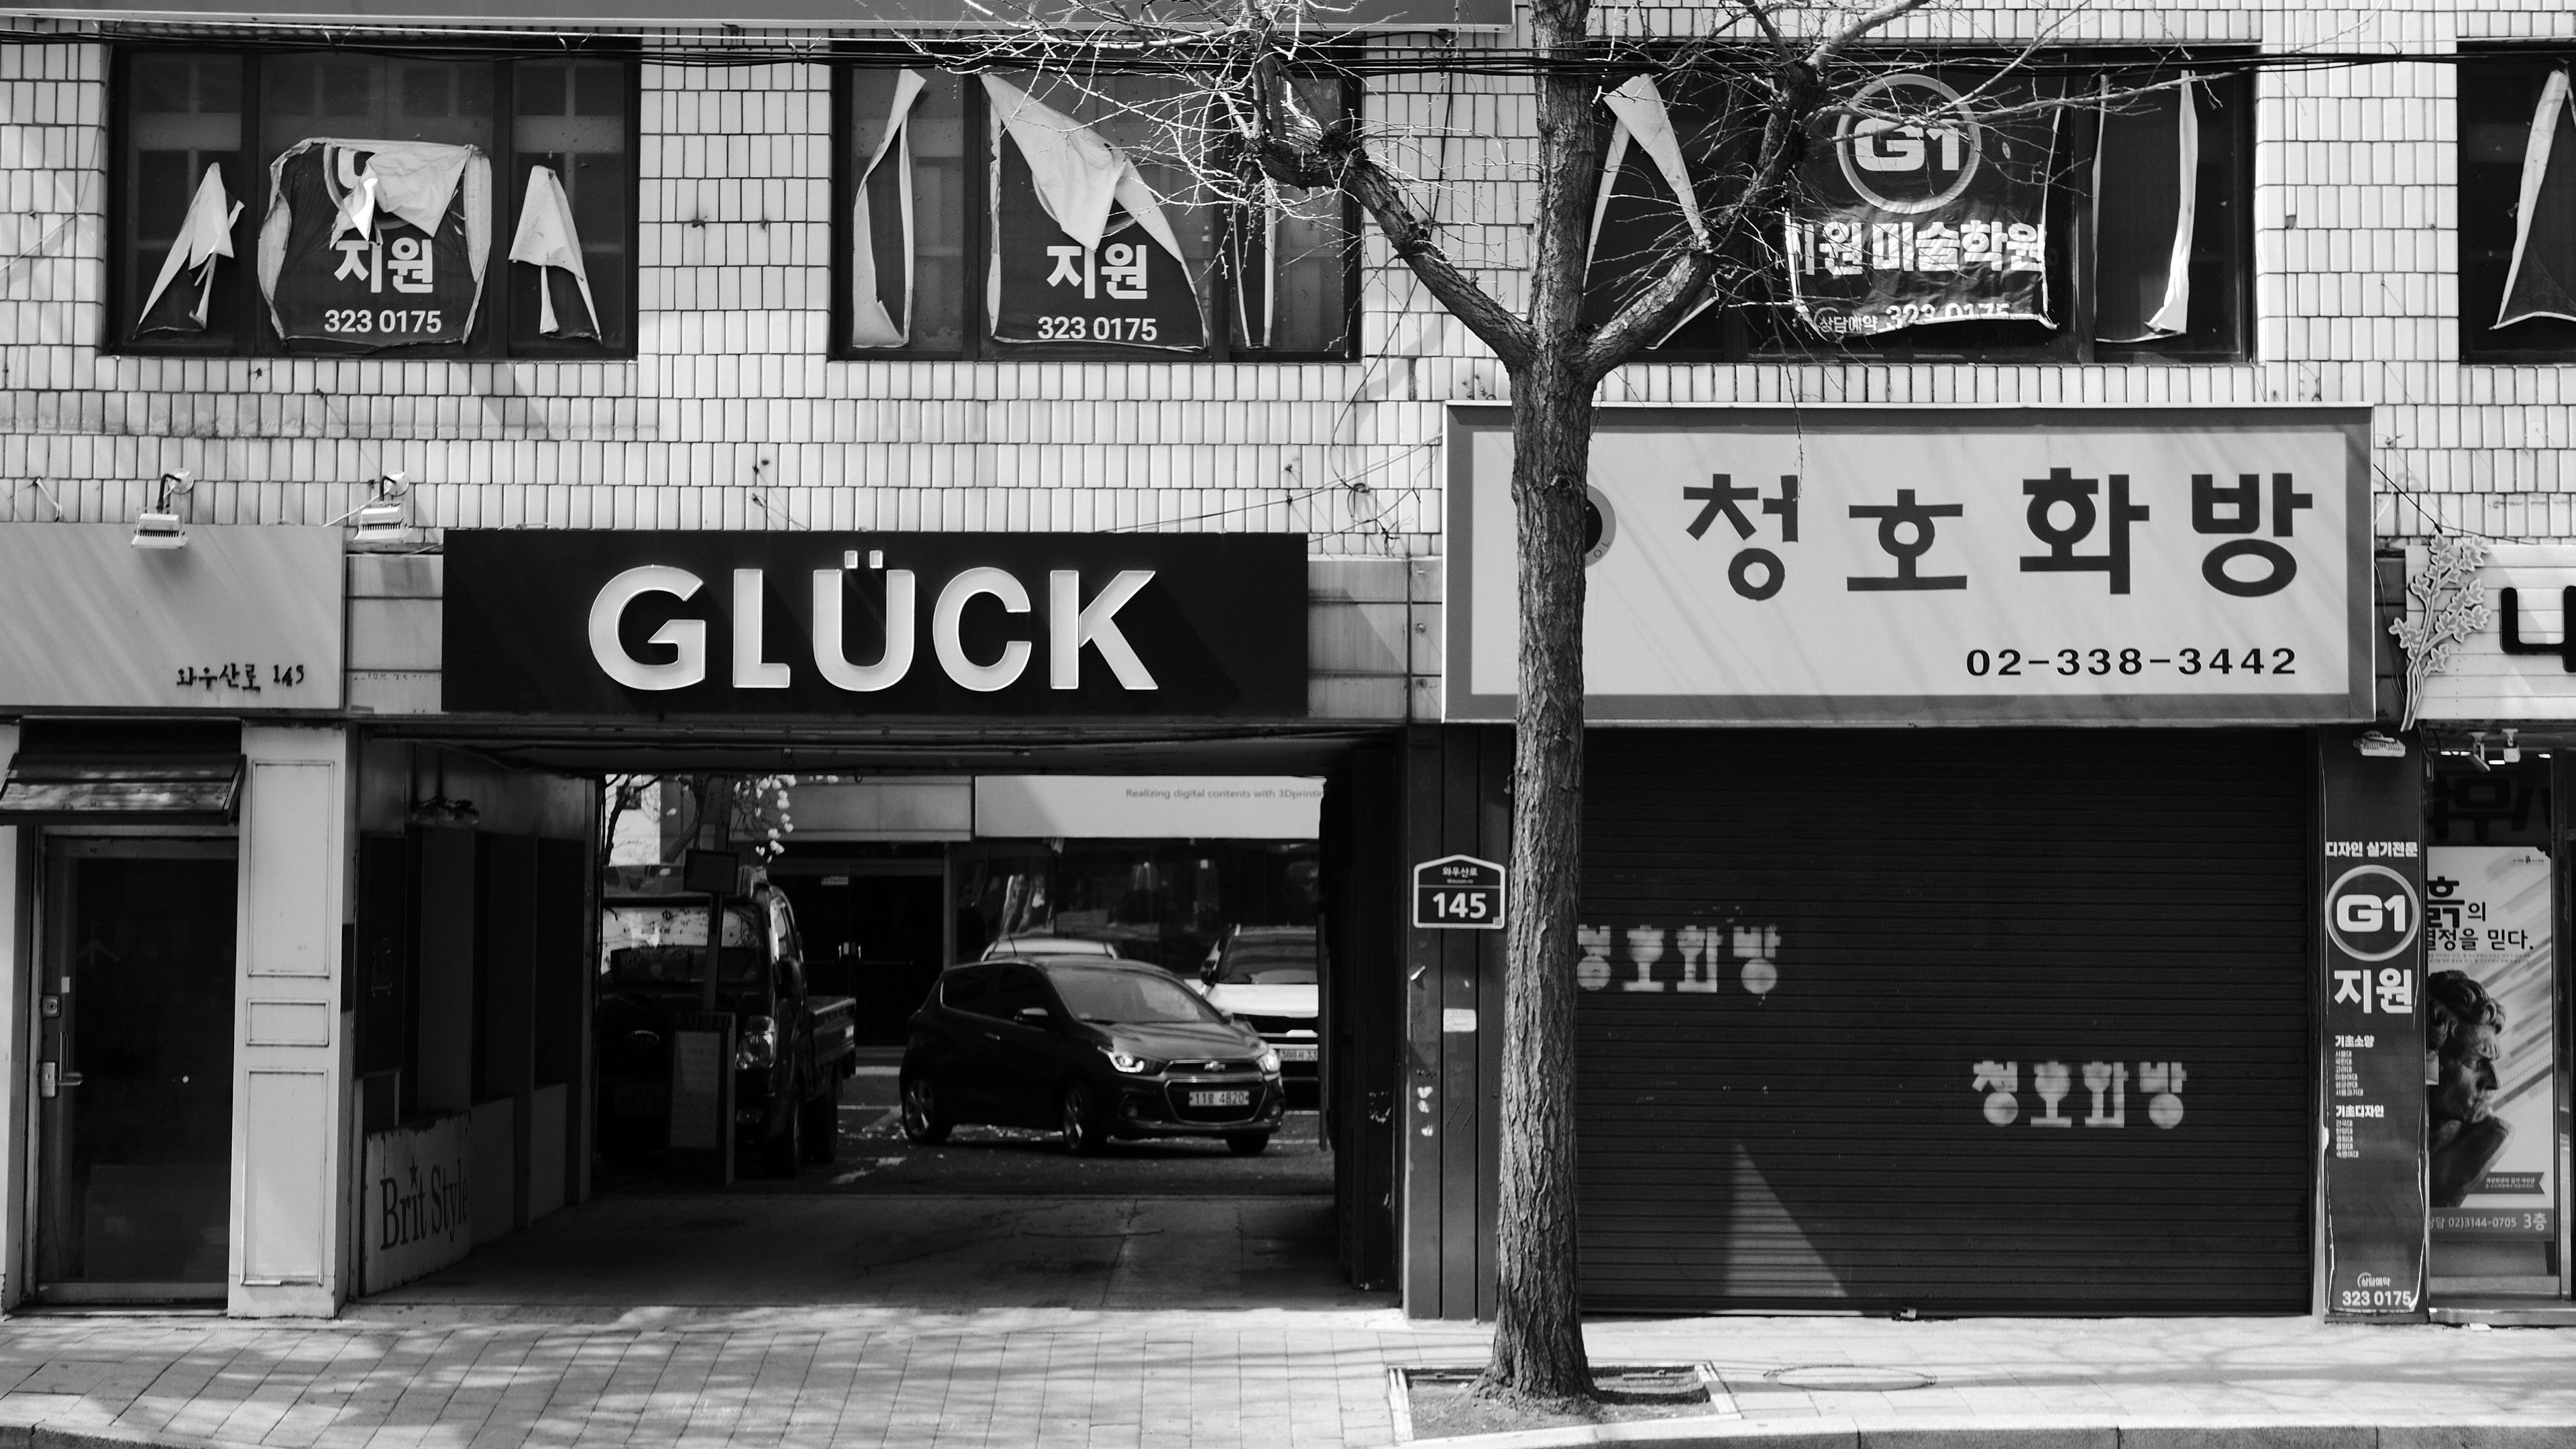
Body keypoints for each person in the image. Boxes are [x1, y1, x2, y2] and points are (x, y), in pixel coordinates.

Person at [2426, 969, 2510, 1209]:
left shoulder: (2491, 1137)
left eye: (2491, 1064)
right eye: (2474, 1062)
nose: (2494, 1082)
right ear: (2429, 1061)